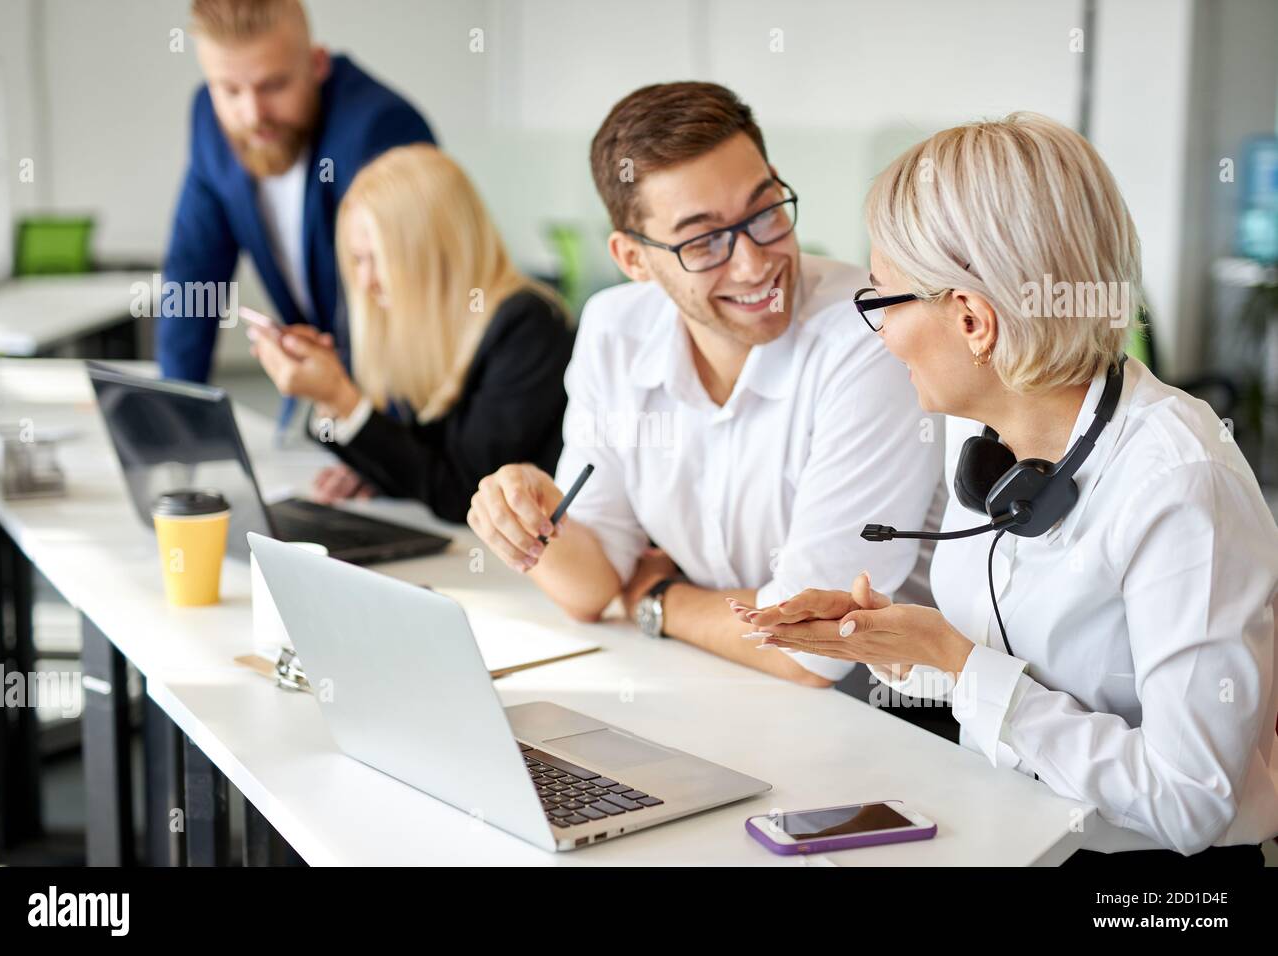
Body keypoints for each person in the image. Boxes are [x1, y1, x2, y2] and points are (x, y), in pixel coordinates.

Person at [734, 113, 1278, 862]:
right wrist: (904, 642)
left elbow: (1190, 804)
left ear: (971, 319)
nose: (880, 335)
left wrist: (961, 664)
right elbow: (1009, 679)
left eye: (882, 302)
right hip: (1011, 831)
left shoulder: (1180, 484)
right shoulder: (990, 437)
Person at [465, 82, 943, 687]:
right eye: (704, 240)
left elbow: (818, 649)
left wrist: (660, 598)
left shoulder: (867, 337)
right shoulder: (616, 331)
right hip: (727, 683)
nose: (754, 262)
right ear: (633, 259)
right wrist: (524, 520)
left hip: (899, 718)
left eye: (765, 211)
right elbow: (591, 588)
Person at [248, 144, 572, 523]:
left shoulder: (527, 326)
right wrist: (376, 467)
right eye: (358, 260)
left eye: (379, 259)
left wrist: (342, 397)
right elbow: (419, 455)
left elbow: (463, 495)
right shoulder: (415, 323)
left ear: (435, 253)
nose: (365, 281)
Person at [158, 0, 434, 384]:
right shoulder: (210, 122)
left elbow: (406, 299)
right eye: (230, 90)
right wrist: (177, 413)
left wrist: (344, 407)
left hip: (396, 385)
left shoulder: (381, 129)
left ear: (318, 64)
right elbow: (193, 275)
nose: (253, 114)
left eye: (273, 85)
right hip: (315, 385)